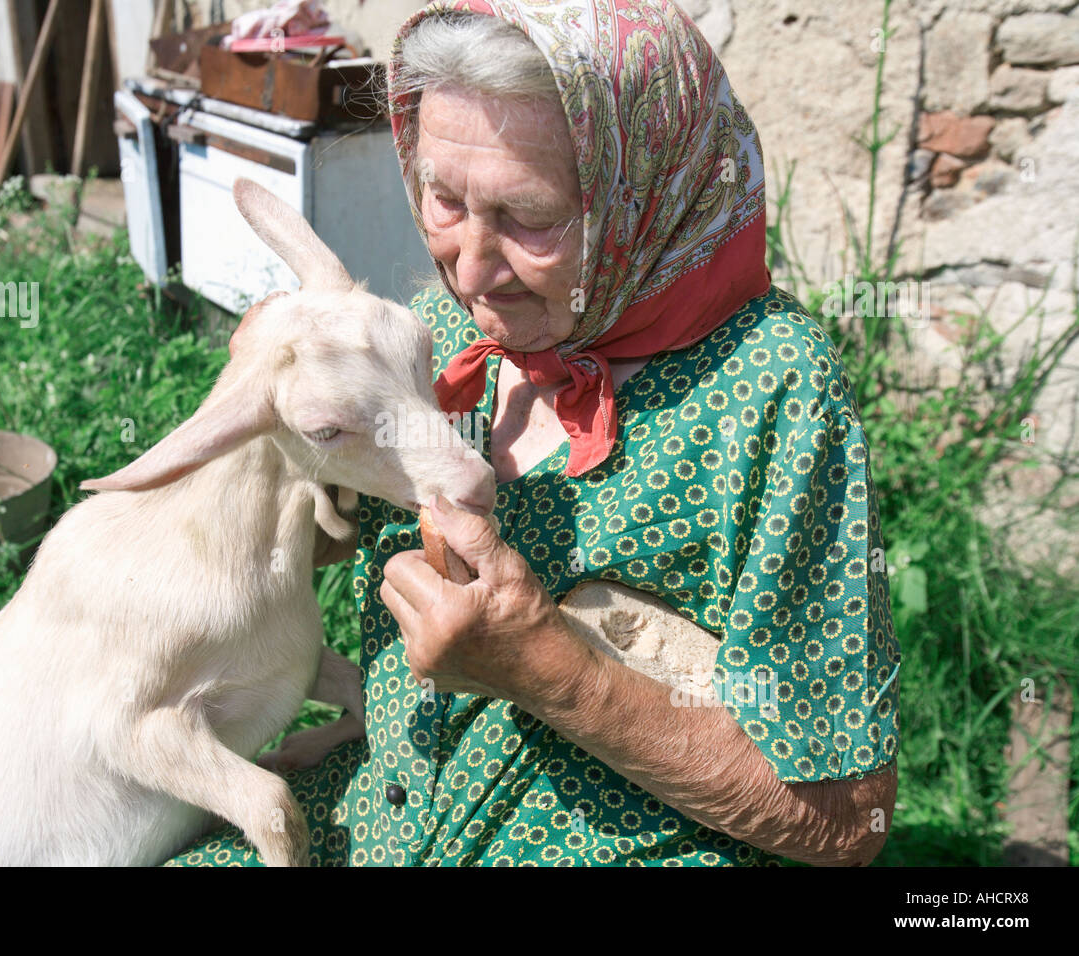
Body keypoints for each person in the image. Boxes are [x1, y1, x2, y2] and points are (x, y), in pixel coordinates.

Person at [168, 0, 900, 867]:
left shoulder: (774, 389)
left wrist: (551, 672)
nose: (470, 268)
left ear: (650, 188)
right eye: (443, 198)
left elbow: (850, 825)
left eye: (531, 217)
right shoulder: (435, 332)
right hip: (375, 821)